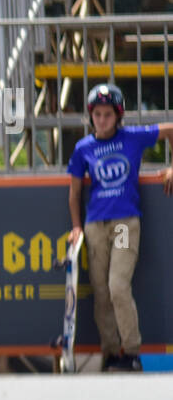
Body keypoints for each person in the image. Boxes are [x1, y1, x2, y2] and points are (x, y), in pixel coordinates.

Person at [67, 83, 173, 371]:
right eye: (97, 115)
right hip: (94, 227)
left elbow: (171, 130)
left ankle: (133, 352)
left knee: (117, 286)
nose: (102, 120)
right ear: (91, 116)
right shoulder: (82, 149)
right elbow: (74, 194)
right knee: (101, 292)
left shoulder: (133, 138)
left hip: (125, 223)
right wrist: (77, 227)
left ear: (118, 116)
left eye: (108, 115)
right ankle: (111, 353)